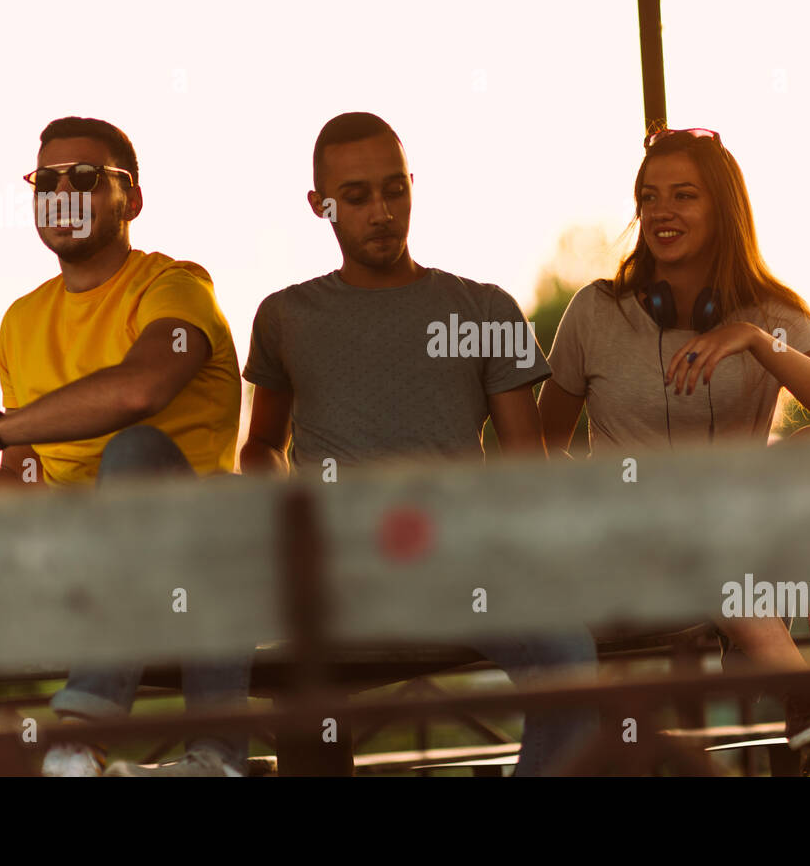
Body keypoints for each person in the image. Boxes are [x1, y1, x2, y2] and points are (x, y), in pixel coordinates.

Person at [240, 111, 599, 775]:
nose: (381, 211)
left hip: (462, 568)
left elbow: (528, 470)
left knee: (570, 658)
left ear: (412, 185)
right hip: (340, 580)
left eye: (394, 189)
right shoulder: (284, 316)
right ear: (320, 205)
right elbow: (261, 444)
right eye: (356, 196)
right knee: (302, 708)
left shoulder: (486, 309)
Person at [537, 127, 810, 751]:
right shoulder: (595, 311)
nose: (662, 211)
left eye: (684, 195)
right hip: (637, 543)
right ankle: (802, 694)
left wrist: (755, 341)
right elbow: (544, 440)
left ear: (723, 207)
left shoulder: (773, 312)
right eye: (650, 196)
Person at [0, 116, 253, 776]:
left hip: (193, 564)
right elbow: (27, 478)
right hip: (69, 570)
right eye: (45, 180)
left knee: (136, 452)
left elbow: (138, 391)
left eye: (86, 178)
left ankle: (90, 733)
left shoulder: (175, 286)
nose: (62, 192)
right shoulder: (22, 320)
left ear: (132, 200)